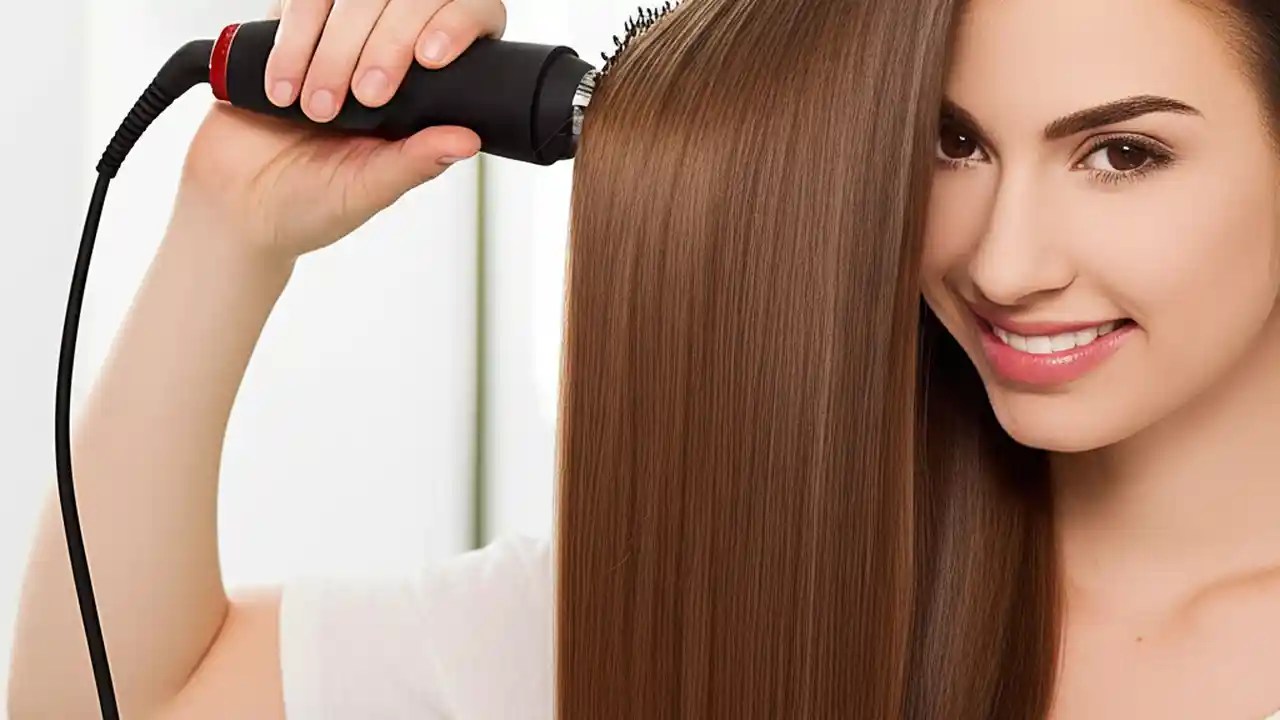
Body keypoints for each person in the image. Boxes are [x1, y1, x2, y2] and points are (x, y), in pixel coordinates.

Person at [10, 0, 1280, 717]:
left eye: (1121, 155)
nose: (1006, 264)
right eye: (951, 145)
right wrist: (227, 233)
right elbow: (116, 704)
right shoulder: (757, 597)